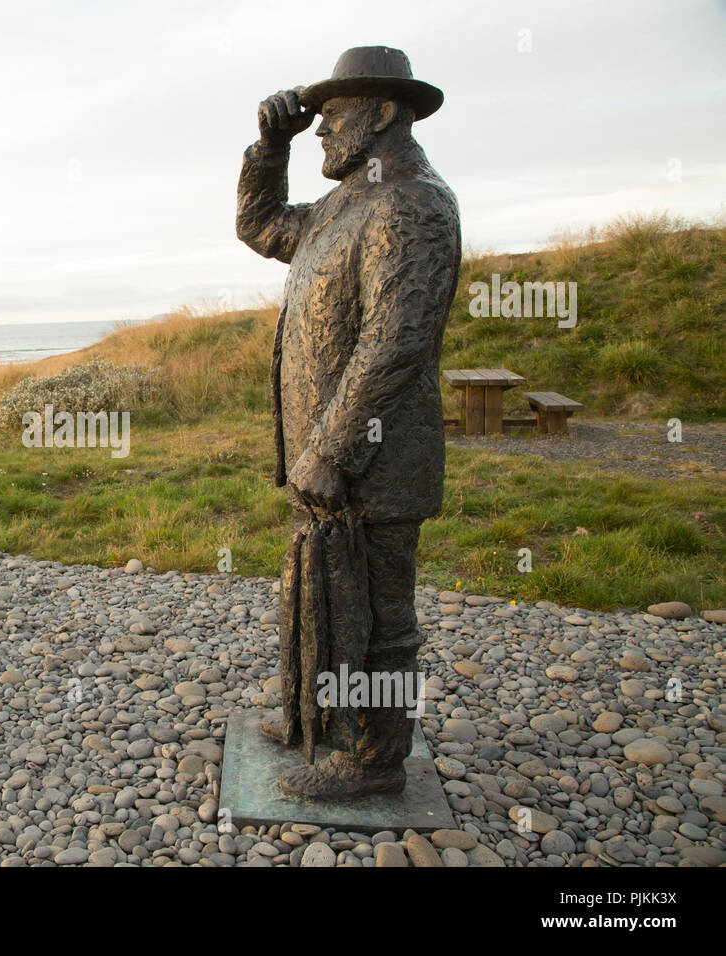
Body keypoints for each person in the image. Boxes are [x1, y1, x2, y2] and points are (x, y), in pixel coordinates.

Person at [236, 46, 461, 798]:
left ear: (386, 112)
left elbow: (397, 340)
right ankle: (319, 716)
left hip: (377, 459)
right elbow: (262, 225)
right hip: (325, 456)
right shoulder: (346, 202)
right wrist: (270, 150)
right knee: (324, 589)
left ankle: (374, 759)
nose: (322, 129)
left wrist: (331, 450)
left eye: (334, 115)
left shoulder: (413, 202)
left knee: (383, 617)